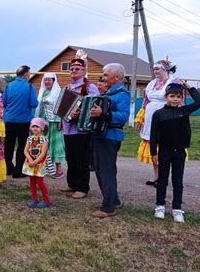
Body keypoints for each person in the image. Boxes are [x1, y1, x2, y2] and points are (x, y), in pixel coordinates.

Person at [150, 82, 200, 223]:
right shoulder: (159, 114)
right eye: (172, 96)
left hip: (179, 152)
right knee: (162, 180)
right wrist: (153, 152)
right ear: (166, 96)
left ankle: (177, 209)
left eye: (178, 96)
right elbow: (153, 134)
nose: (175, 99)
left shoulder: (184, 111)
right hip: (164, 152)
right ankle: (160, 206)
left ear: (181, 98)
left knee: (178, 181)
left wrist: (189, 87)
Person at [90, 63, 130, 218]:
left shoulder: (122, 94)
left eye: (106, 75)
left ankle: (108, 208)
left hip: (110, 136)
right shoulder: (108, 93)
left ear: (117, 77)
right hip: (100, 135)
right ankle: (114, 200)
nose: (103, 77)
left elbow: (123, 117)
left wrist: (103, 114)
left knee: (106, 171)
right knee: (100, 170)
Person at [61, 57, 99, 199]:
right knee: (70, 157)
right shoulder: (68, 87)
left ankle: (82, 187)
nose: (74, 71)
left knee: (81, 158)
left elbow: (94, 104)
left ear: (84, 71)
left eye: (77, 69)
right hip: (67, 127)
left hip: (81, 128)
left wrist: (80, 111)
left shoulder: (90, 87)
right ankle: (72, 184)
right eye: (71, 69)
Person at [134, 59, 177, 186]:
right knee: (154, 147)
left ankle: (163, 177)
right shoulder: (151, 83)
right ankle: (156, 175)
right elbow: (145, 102)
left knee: (164, 147)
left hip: (166, 118)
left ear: (165, 69)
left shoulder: (173, 82)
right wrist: (140, 118)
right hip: (151, 119)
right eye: (154, 69)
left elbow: (178, 101)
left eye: (157, 69)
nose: (155, 71)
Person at [2, 65, 38, 178]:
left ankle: (7, 168)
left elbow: (3, 103)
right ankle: (19, 170)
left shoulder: (8, 86)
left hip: (9, 120)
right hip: (23, 121)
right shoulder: (30, 87)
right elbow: (34, 104)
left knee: (8, 145)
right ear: (26, 74)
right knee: (22, 146)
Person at [34, 72, 65, 178]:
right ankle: (47, 168)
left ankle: (59, 170)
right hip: (44, 122)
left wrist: (59, 120)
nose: (47, 82)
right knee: (44, 144)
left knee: (56, 144)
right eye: (45, 80)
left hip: (54, 121)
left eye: (49, 80)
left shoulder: (58, 92)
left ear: (53, 81)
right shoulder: (43, 92)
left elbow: (61, 107)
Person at [23, 117, 52, 209]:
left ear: (42, 128)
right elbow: (25, 150)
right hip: (30, 163)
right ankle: (34, 199)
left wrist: (35, 161)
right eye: (33, 126)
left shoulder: (44, 139)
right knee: (32, 181)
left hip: (39, 164)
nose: (35, 128)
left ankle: (46, 200)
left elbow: (43, 153)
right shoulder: (30, 138)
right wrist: (30, 160)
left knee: (40, 182)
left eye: (37, 126)